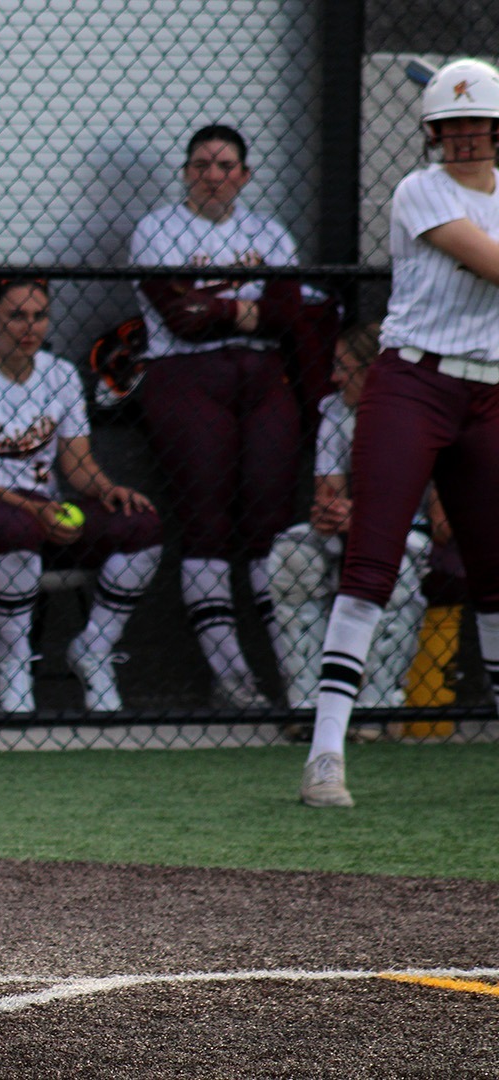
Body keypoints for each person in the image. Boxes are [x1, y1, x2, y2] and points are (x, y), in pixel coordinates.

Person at [300, 59, 499, 808]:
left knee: (495, 578)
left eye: (477, 124)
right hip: (412, 384)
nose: (464, 139)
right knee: (373, 562)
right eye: (450, 127)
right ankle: (325, 756)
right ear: (432, 134)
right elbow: (489, 262)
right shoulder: (421, 190)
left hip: (491, 390)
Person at [130, 125, 323, 710]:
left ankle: (297, 677)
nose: (213, 174)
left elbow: (290, 314)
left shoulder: (268, 232)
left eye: (225, 165)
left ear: (244, 174)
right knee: (206, 523)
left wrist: (215, 306)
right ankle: (233, 677)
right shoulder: (156, 229)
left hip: (264, 380)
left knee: (268, 523)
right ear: (187, 171)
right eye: (201, 164)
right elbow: (178, 316)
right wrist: (249, 310)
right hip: (186, 375)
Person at [0, 279, 163, 713]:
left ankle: (94, 648)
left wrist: (106, 488)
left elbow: (77, 464)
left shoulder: (60, 375)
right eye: (16, 315)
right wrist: (32, 509)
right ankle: (15, 665)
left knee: (141, 523)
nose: (29, 326)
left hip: (44, 509)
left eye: (39, 315)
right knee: (14, 527)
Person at [266, 323, 437, 713]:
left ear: (373, 370)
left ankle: (377, 705)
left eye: (344, 366)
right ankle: (308, 704)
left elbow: (442, 523)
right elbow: (328, 497)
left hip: (412, 531)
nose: (335, 376)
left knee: (398, 567)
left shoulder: (427, 411)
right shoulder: (337, 411)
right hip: (355, 527)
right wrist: (331, 513)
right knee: (295, 554)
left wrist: (368, 519)